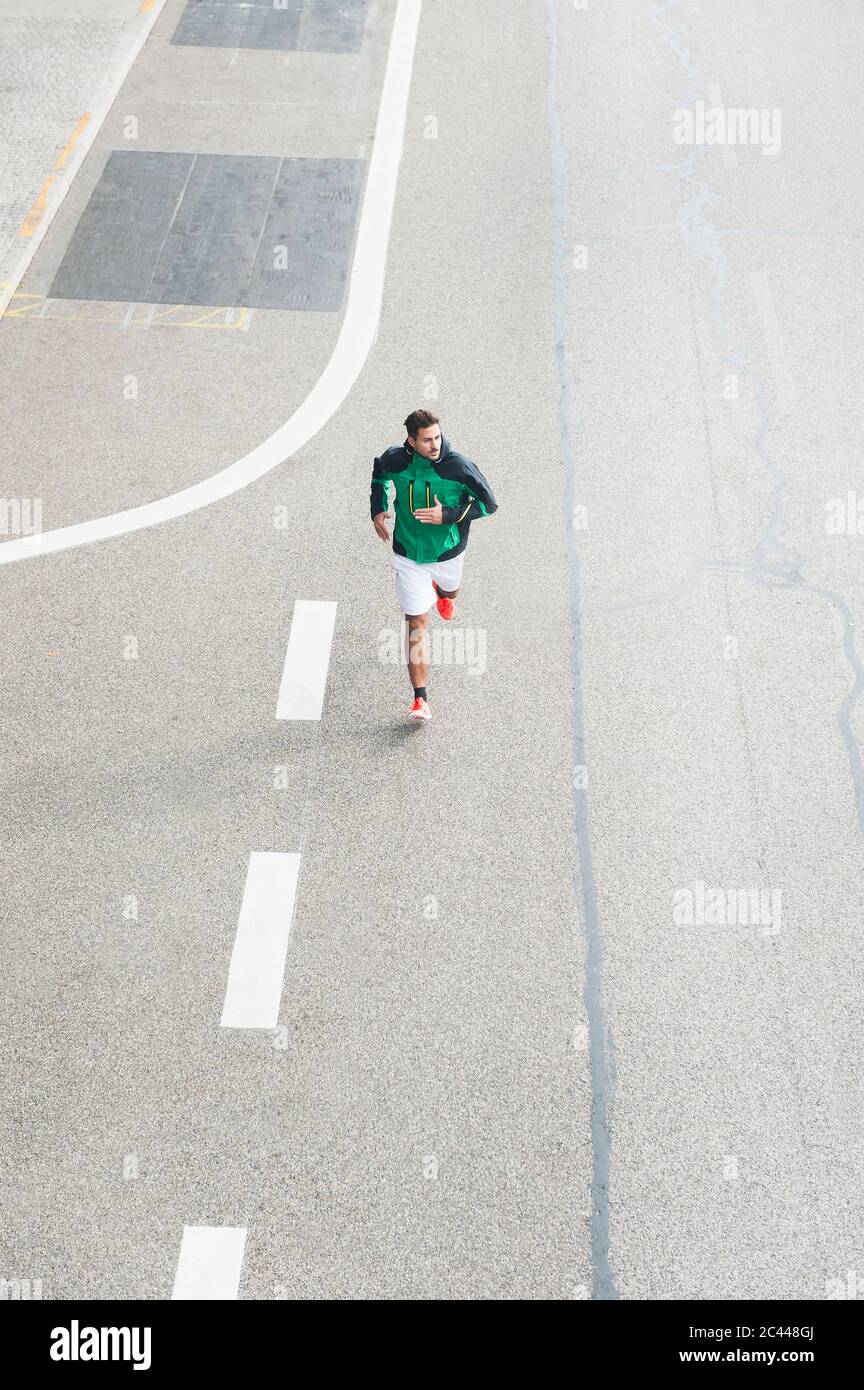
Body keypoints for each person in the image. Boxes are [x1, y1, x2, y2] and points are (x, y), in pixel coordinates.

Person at [370, 409, 498, 721]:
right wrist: (378, 509)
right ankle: (420, 700)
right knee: (416, 624)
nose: (435, 444)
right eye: (427, 440)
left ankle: (444, 593)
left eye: (437, 437)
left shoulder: (459, 467)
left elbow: (488, 503)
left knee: (451, 595)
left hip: (447, 554)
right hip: (409, 554)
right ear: (411, 442)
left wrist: (450, 515)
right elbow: (379, 476)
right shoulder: (395, 460)